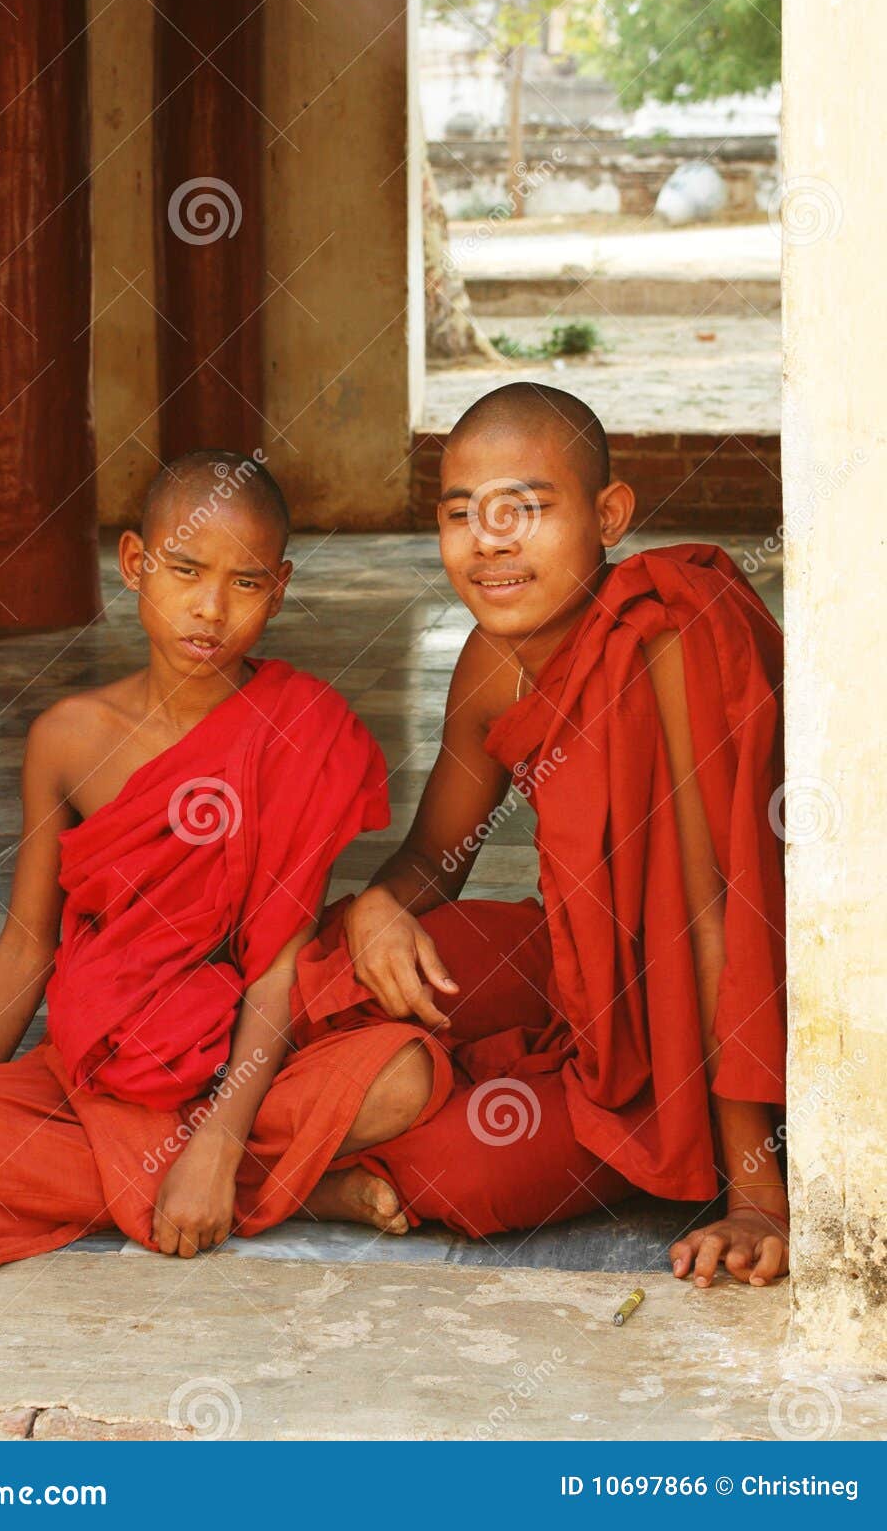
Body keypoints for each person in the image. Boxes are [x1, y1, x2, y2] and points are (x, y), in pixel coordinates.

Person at [0, 451, 449, 1277]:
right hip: (116, 1071)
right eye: (185, 570)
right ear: (134, 564)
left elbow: (281, 965)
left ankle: (226, 1173)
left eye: (247, 583)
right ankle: (301, 1184)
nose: (210, 608)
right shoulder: (68, 738)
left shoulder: (303, 732)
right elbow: (24, 946)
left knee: (403, 1076)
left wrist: (219, 1143)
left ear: (282, 586)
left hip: (252, 1056)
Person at [296, 383, 789, 1288]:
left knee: (466, 1172)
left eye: (525, 509)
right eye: (460, 515)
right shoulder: (494, 660)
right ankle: (344, 1115)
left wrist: (756, 1192)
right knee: (321, 971)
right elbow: (433, 862)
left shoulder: (668, 639)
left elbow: (718, 914)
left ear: (608, 515)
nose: (489, 541)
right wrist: (376, 909)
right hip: (578, 971)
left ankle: (325, 1148)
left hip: (701, 1034)